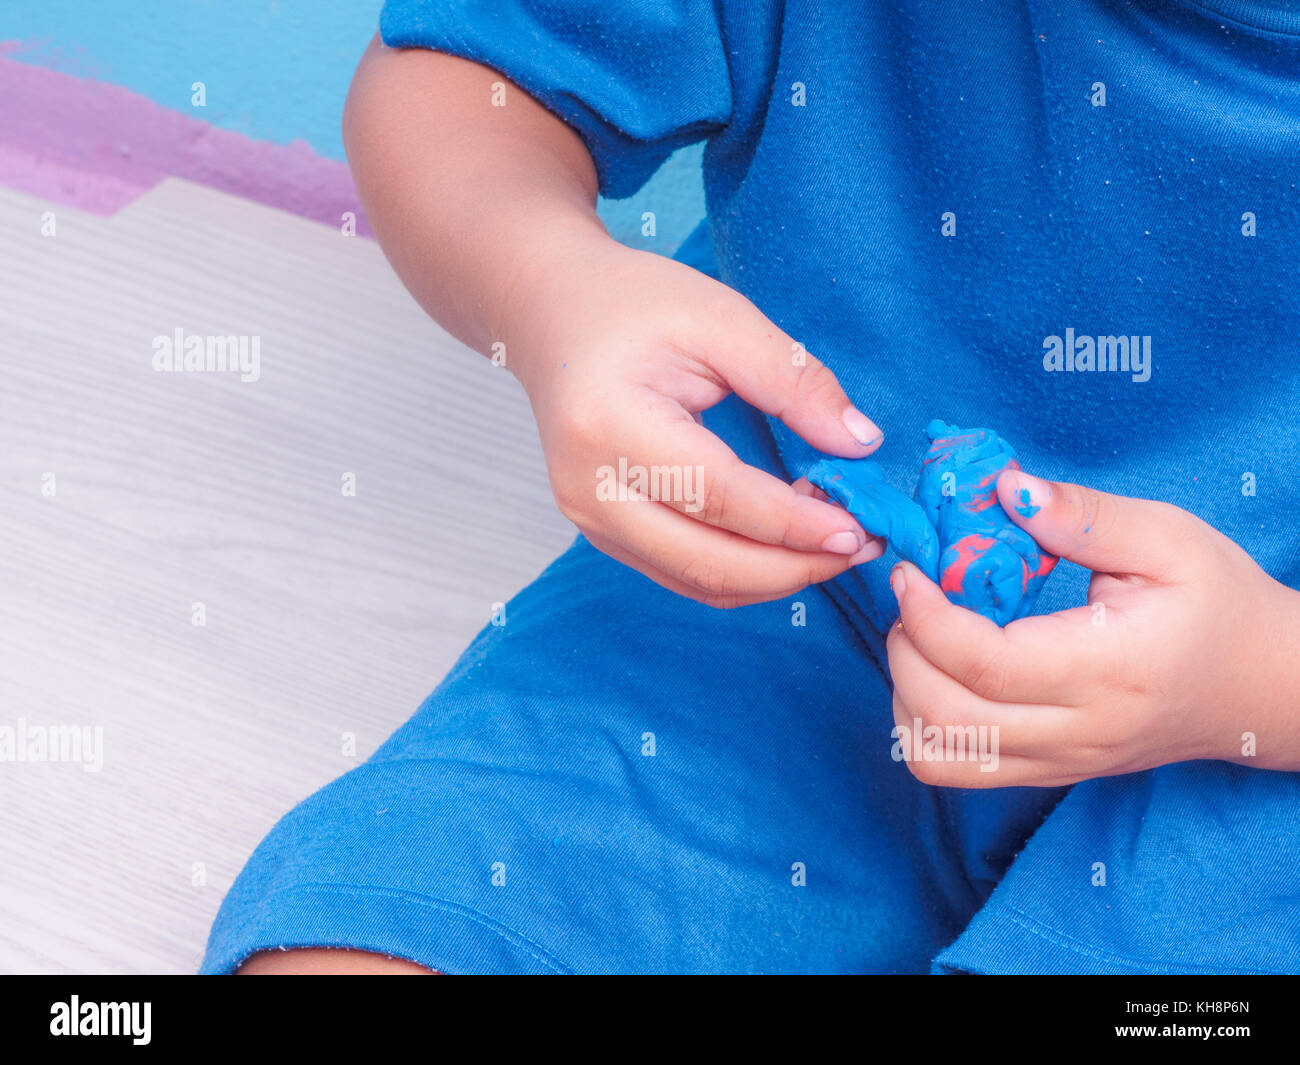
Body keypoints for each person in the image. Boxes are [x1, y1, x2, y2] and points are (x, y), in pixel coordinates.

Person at [206, 0, 1300, 974]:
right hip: (789, 604)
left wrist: (1258, 680)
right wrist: (547, 287)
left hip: (1271, 739)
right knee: (380, 936)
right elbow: (458, 75)